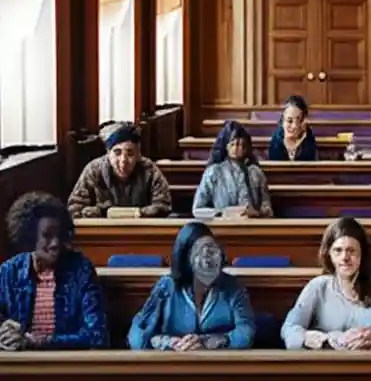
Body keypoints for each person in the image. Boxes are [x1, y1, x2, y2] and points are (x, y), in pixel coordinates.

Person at [0, 192, 108, 350]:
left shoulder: (81, 270)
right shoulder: (9, 272)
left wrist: (38, 342)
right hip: (19, 366)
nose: (55, 243)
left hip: (68, 366)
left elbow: (97, 335)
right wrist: (4, 330)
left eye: (60, 235)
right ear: (30, 237)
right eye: (47, 236)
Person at [128, 222, 255, 350]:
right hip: (173, 364)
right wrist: (170, 343)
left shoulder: (232, 286)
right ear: (185, 257)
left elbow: (246, 332)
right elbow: (138, 335)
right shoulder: (166, 287)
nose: (207, 260)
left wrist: (210, 341)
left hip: (220, 364)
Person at [282, 217, 371, 350]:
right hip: (323, 362)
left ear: (362, 254)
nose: (345, 258)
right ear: (329, 255)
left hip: (368, 361)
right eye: (338, 251)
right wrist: (322, 340)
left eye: (351, 251)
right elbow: (290, 328)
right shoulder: (318, 286)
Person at [67, 123, 173, 218]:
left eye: (130, 153)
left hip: (141, 232)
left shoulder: (149, 170)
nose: (123, 160)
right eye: (117, 153)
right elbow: (74, 208)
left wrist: (140, 213)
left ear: (138, 154)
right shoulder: (93, 170)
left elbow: (164, 205)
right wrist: (101, 212)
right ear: (108, 153)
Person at [194, 120, 274, 217]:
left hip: (251, 225)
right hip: (222, 226)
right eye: (232, 144)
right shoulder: (213, 172)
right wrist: (220, 213)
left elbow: (268, 209)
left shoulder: (255, 172)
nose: (236, 148)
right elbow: (197, 209)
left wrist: (256, 213)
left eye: (240, 144)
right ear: (225, 146)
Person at [267, 95, 319, 161]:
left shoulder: (308, 138)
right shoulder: (276, 140)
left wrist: (302, 140)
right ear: (282, 121)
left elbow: (308, 165)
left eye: (299, 121)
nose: (294, 126)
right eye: (289, 121)